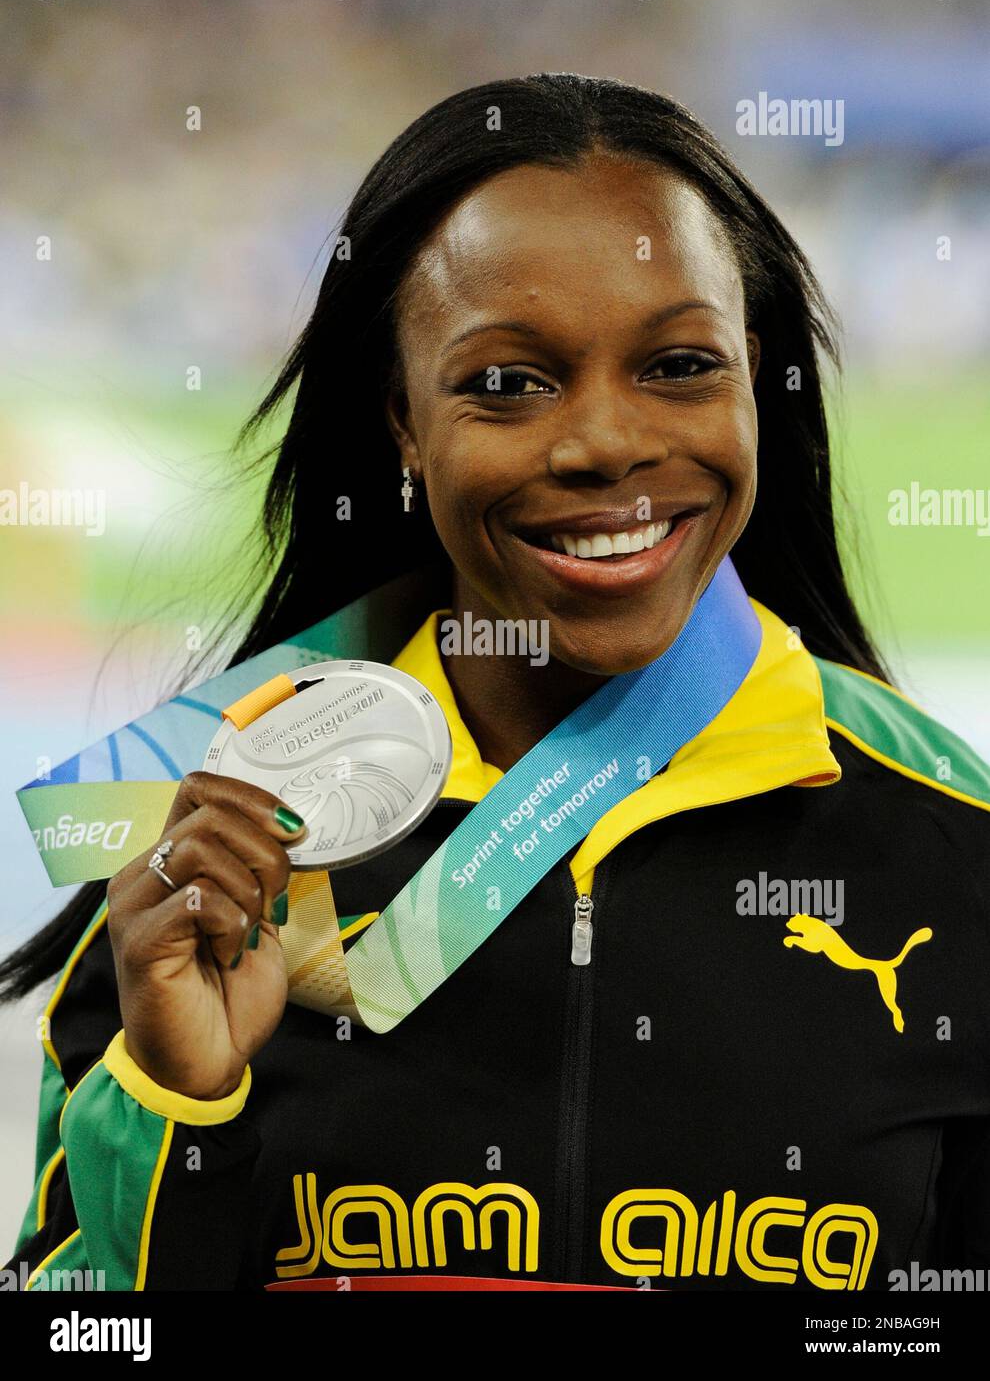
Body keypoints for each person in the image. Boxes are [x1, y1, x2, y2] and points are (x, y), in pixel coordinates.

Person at [3, 72, 989, 1292]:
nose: (606, 444)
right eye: (507, 384)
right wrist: (176, 1114)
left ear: (755, 385)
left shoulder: (955, 851)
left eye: (680, 364)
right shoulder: (212, 853)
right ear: (404, 428)